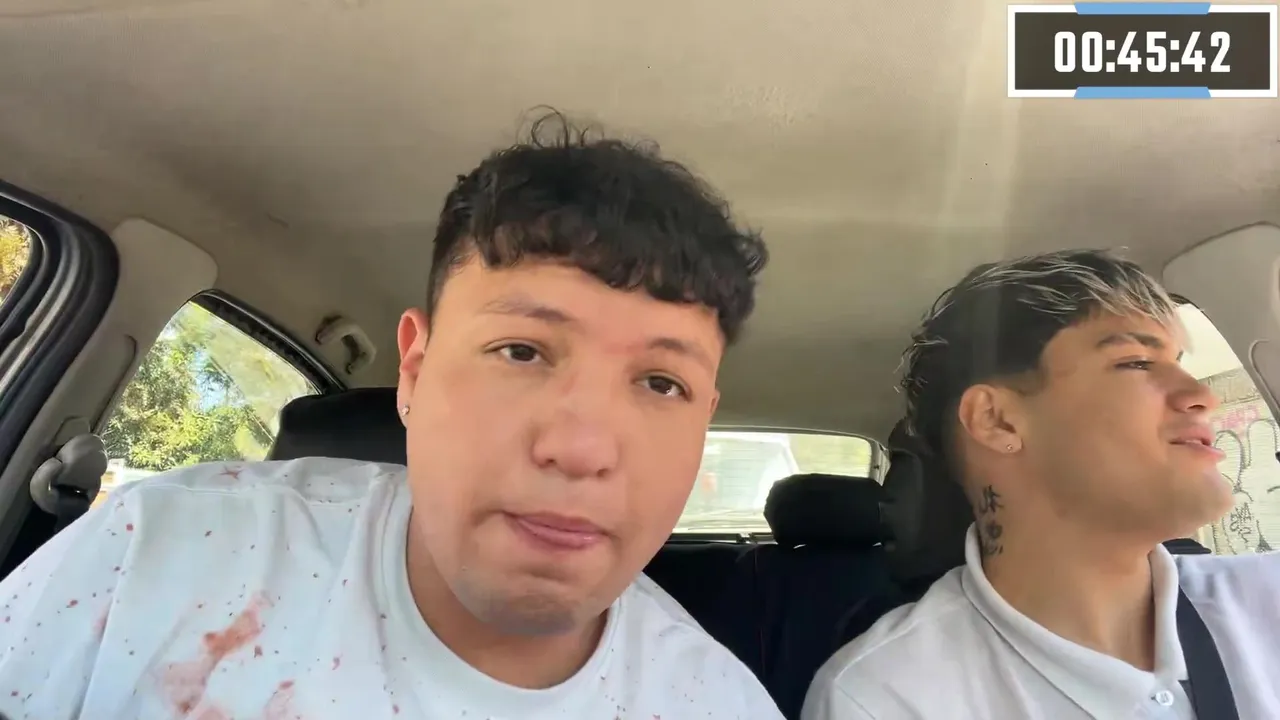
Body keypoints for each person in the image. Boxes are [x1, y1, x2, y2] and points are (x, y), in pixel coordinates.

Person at [0, 114, 784, 720]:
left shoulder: (719, 704)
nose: (581, 448)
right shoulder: (154, 557)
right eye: (520, 351)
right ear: (414, 370)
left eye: (661, 384)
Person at [803, 249, 1280, 720]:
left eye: (1178, 361)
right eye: (1136, 362)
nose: (1203, 396)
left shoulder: (1268, 599)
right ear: (998, 421)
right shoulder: (885, 696)